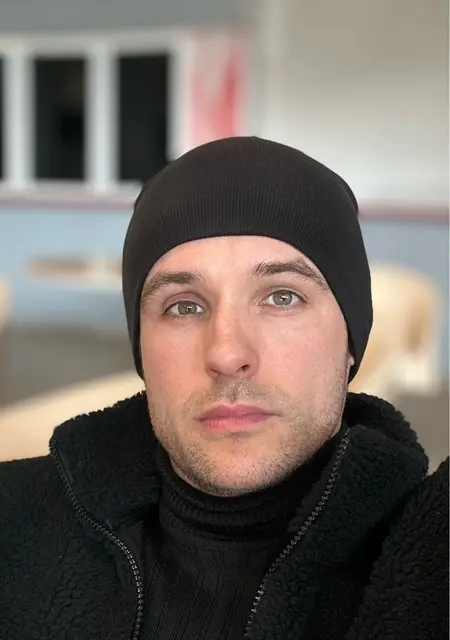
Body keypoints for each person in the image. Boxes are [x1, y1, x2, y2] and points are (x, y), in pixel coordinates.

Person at [0, 137, 447, 640]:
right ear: (142, 349)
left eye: (282, 297)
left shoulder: (430, 564)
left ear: (351, 340)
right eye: (184, 306)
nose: (227, 353)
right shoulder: (13, 521)